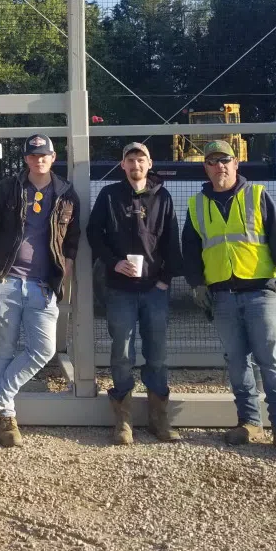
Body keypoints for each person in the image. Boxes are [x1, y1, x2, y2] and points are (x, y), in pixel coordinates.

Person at [182, 139, 276, 458]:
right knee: (236, 362)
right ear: (206, 168)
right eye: (212, 162)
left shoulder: (257, 195)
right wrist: (197, 285)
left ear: (236, 164)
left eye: (225, 160)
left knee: (271, 361)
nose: (219, 166)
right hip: (222, 295)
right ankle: (249, 422)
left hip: (260, 292)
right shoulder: (197, 205)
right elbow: (190, 250)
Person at [0, 134, 79, 448]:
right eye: (33, 155)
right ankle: (6, 418)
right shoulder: (8, 188)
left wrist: (65, 272)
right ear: (26, 159)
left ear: (53, 157)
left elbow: (72, 239)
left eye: (43, 155)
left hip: (43, 285)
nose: (38, 160)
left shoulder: (67, 193)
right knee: (3, 349)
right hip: (5, 280)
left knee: (43, 350)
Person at [87, 142, 182, 445]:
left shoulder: (163, 197)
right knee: (122, 353)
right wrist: (114, 263)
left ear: (149, 164)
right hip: (119, 290)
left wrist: (165, 279)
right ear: (123, 165)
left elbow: (171, 240)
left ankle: (159, 419)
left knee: (157, 354)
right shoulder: (109, 195)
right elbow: (94, 234)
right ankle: (123, 421)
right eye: (130, 160)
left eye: (141, 159)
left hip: (154, 289)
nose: (136, 164)